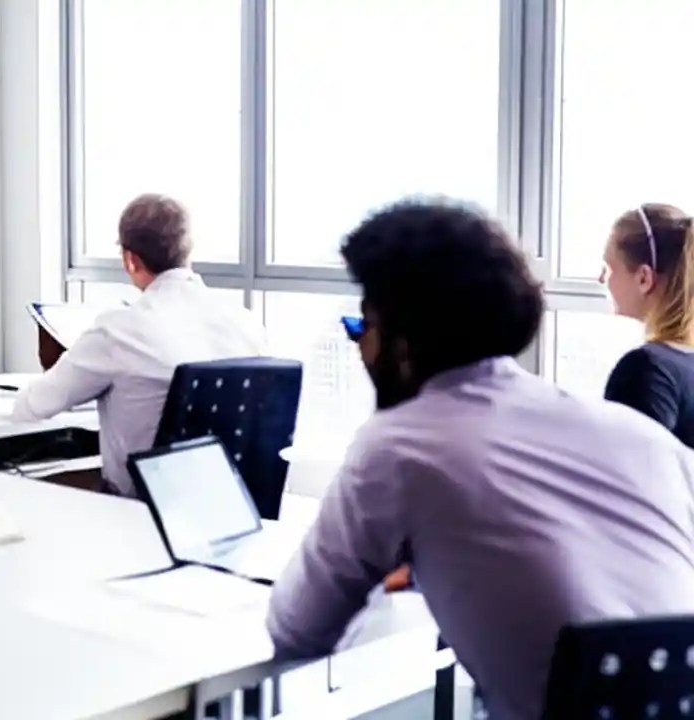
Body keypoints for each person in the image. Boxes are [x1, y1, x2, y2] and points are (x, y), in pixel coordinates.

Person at [265, 198, 694, 720]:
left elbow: (298, 631)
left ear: (399, 339)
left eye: (365, 326)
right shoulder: (638, 438)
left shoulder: (399, 447)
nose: (359, 348)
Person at [11, 194, 270, 496]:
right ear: (188, 251)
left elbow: (32, 406)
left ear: (130, 259)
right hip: (228, 507)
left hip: (137, 512)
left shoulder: (119, 330)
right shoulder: (247, 323)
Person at [600, 203, 694, 447]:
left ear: (644, 278)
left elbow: (626, 477)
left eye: (610, 268)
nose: (601, 279)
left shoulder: (646, 370)